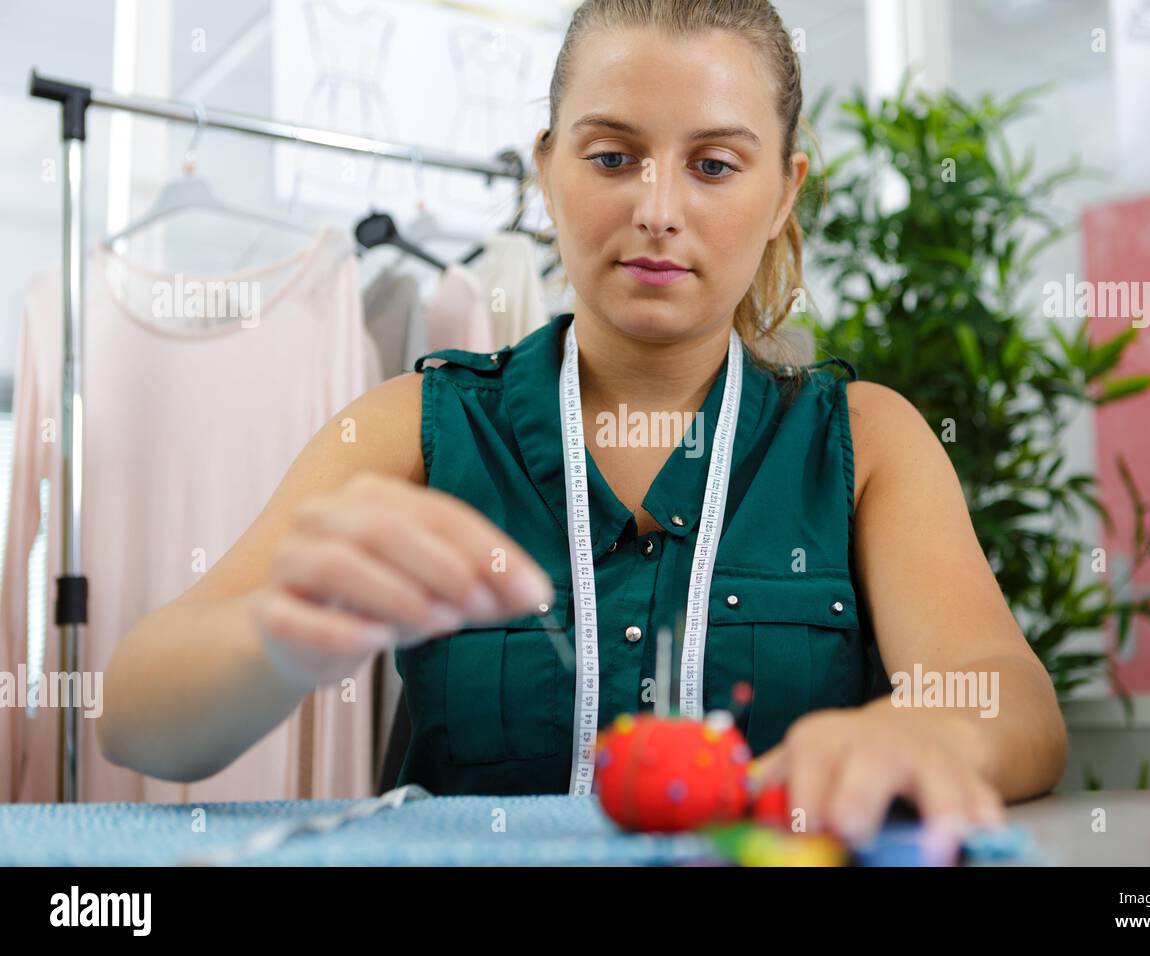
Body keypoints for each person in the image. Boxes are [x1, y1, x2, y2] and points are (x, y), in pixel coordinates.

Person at [100, 0, 1067, 839]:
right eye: (613, 156)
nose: (657, 208)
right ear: (548, 168)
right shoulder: (414, 430)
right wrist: (278, 638)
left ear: (785, 194)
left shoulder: (865, 443)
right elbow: (138, 715)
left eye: (716, 166)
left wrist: (918, 732)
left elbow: (1006, 694)